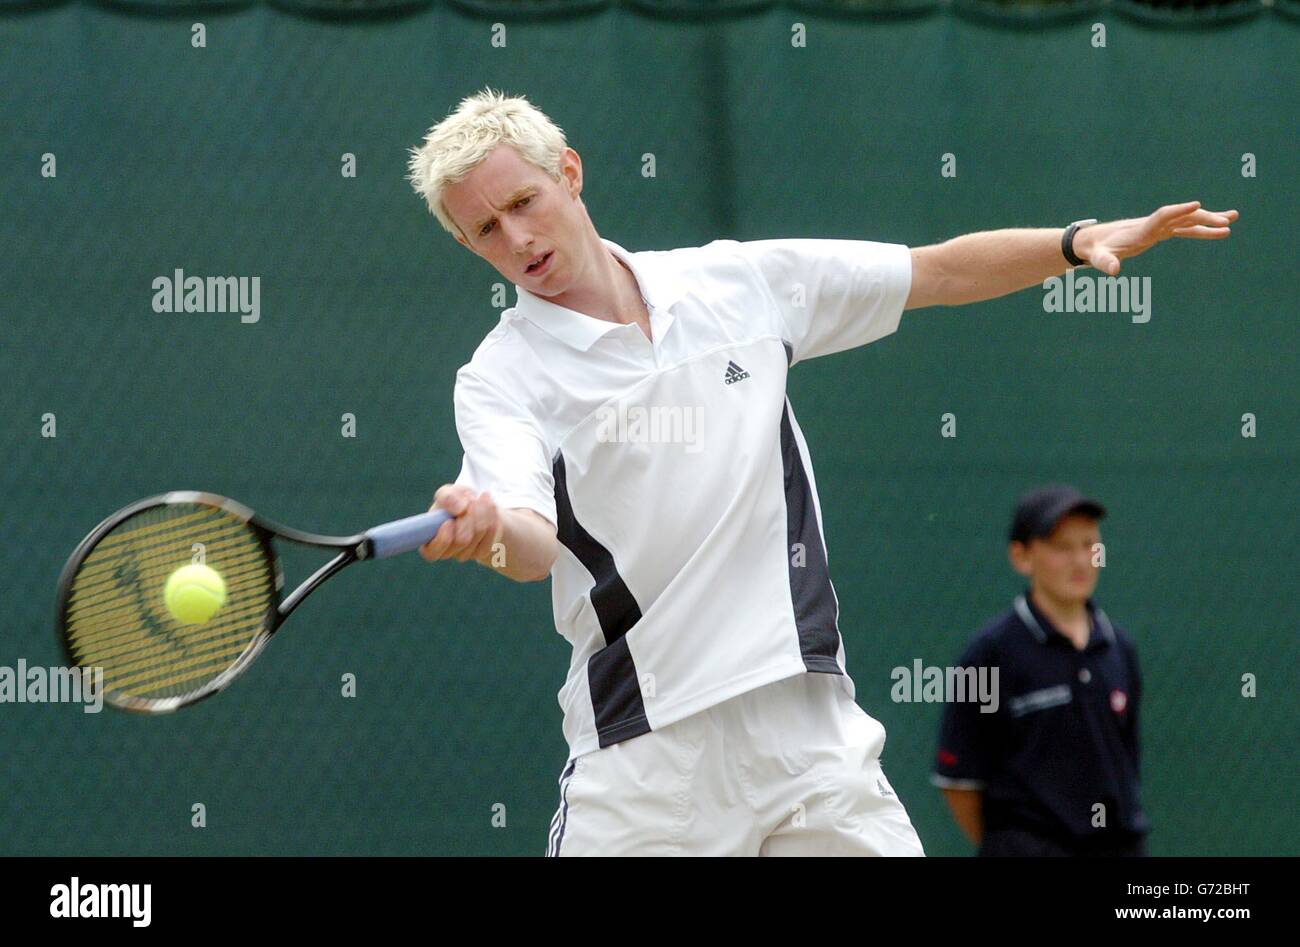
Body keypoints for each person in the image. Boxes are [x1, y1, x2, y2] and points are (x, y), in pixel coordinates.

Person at [405, 88, 1234, 856]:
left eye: (524, 202)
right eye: (484, 229)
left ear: (570, 174)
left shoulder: (737, 283)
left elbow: (935, 270)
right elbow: (531, 544)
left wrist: (1072, 245)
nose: (515, 238)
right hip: (646, 761)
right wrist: (488, 532)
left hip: (811, 736)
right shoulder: (499, 378)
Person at [932, 485, 1151, 856]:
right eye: (1063, 547)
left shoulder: (1120, 648)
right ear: (1022, 557)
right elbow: (959, 782)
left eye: (1089, 545)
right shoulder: (989, 654)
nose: (1081, 560)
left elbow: (1126, 764)